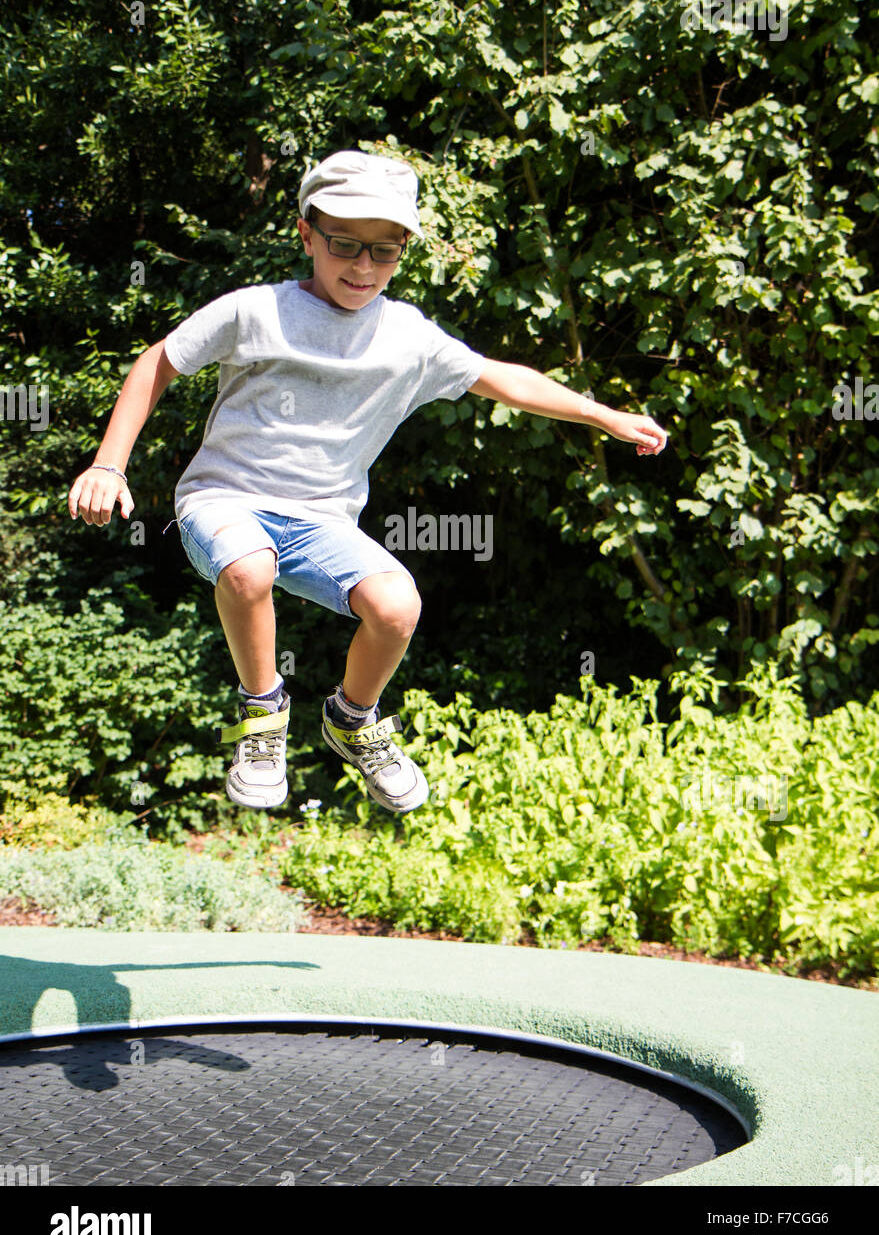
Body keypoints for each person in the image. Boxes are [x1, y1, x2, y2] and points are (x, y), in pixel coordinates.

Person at [68, 149, 667, 816]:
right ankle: (262, 720)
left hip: (322, 522)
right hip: (225, 498)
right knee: (247, 569)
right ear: (306, 235)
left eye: (384, 253)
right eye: (344, 245)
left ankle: (352, 720)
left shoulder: (406, 335)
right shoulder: (255, 311)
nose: (362, 267)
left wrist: (601, 413)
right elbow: (159, 362)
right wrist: (107, 463)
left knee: (396, 606)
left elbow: (501, 377)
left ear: (403, 251)